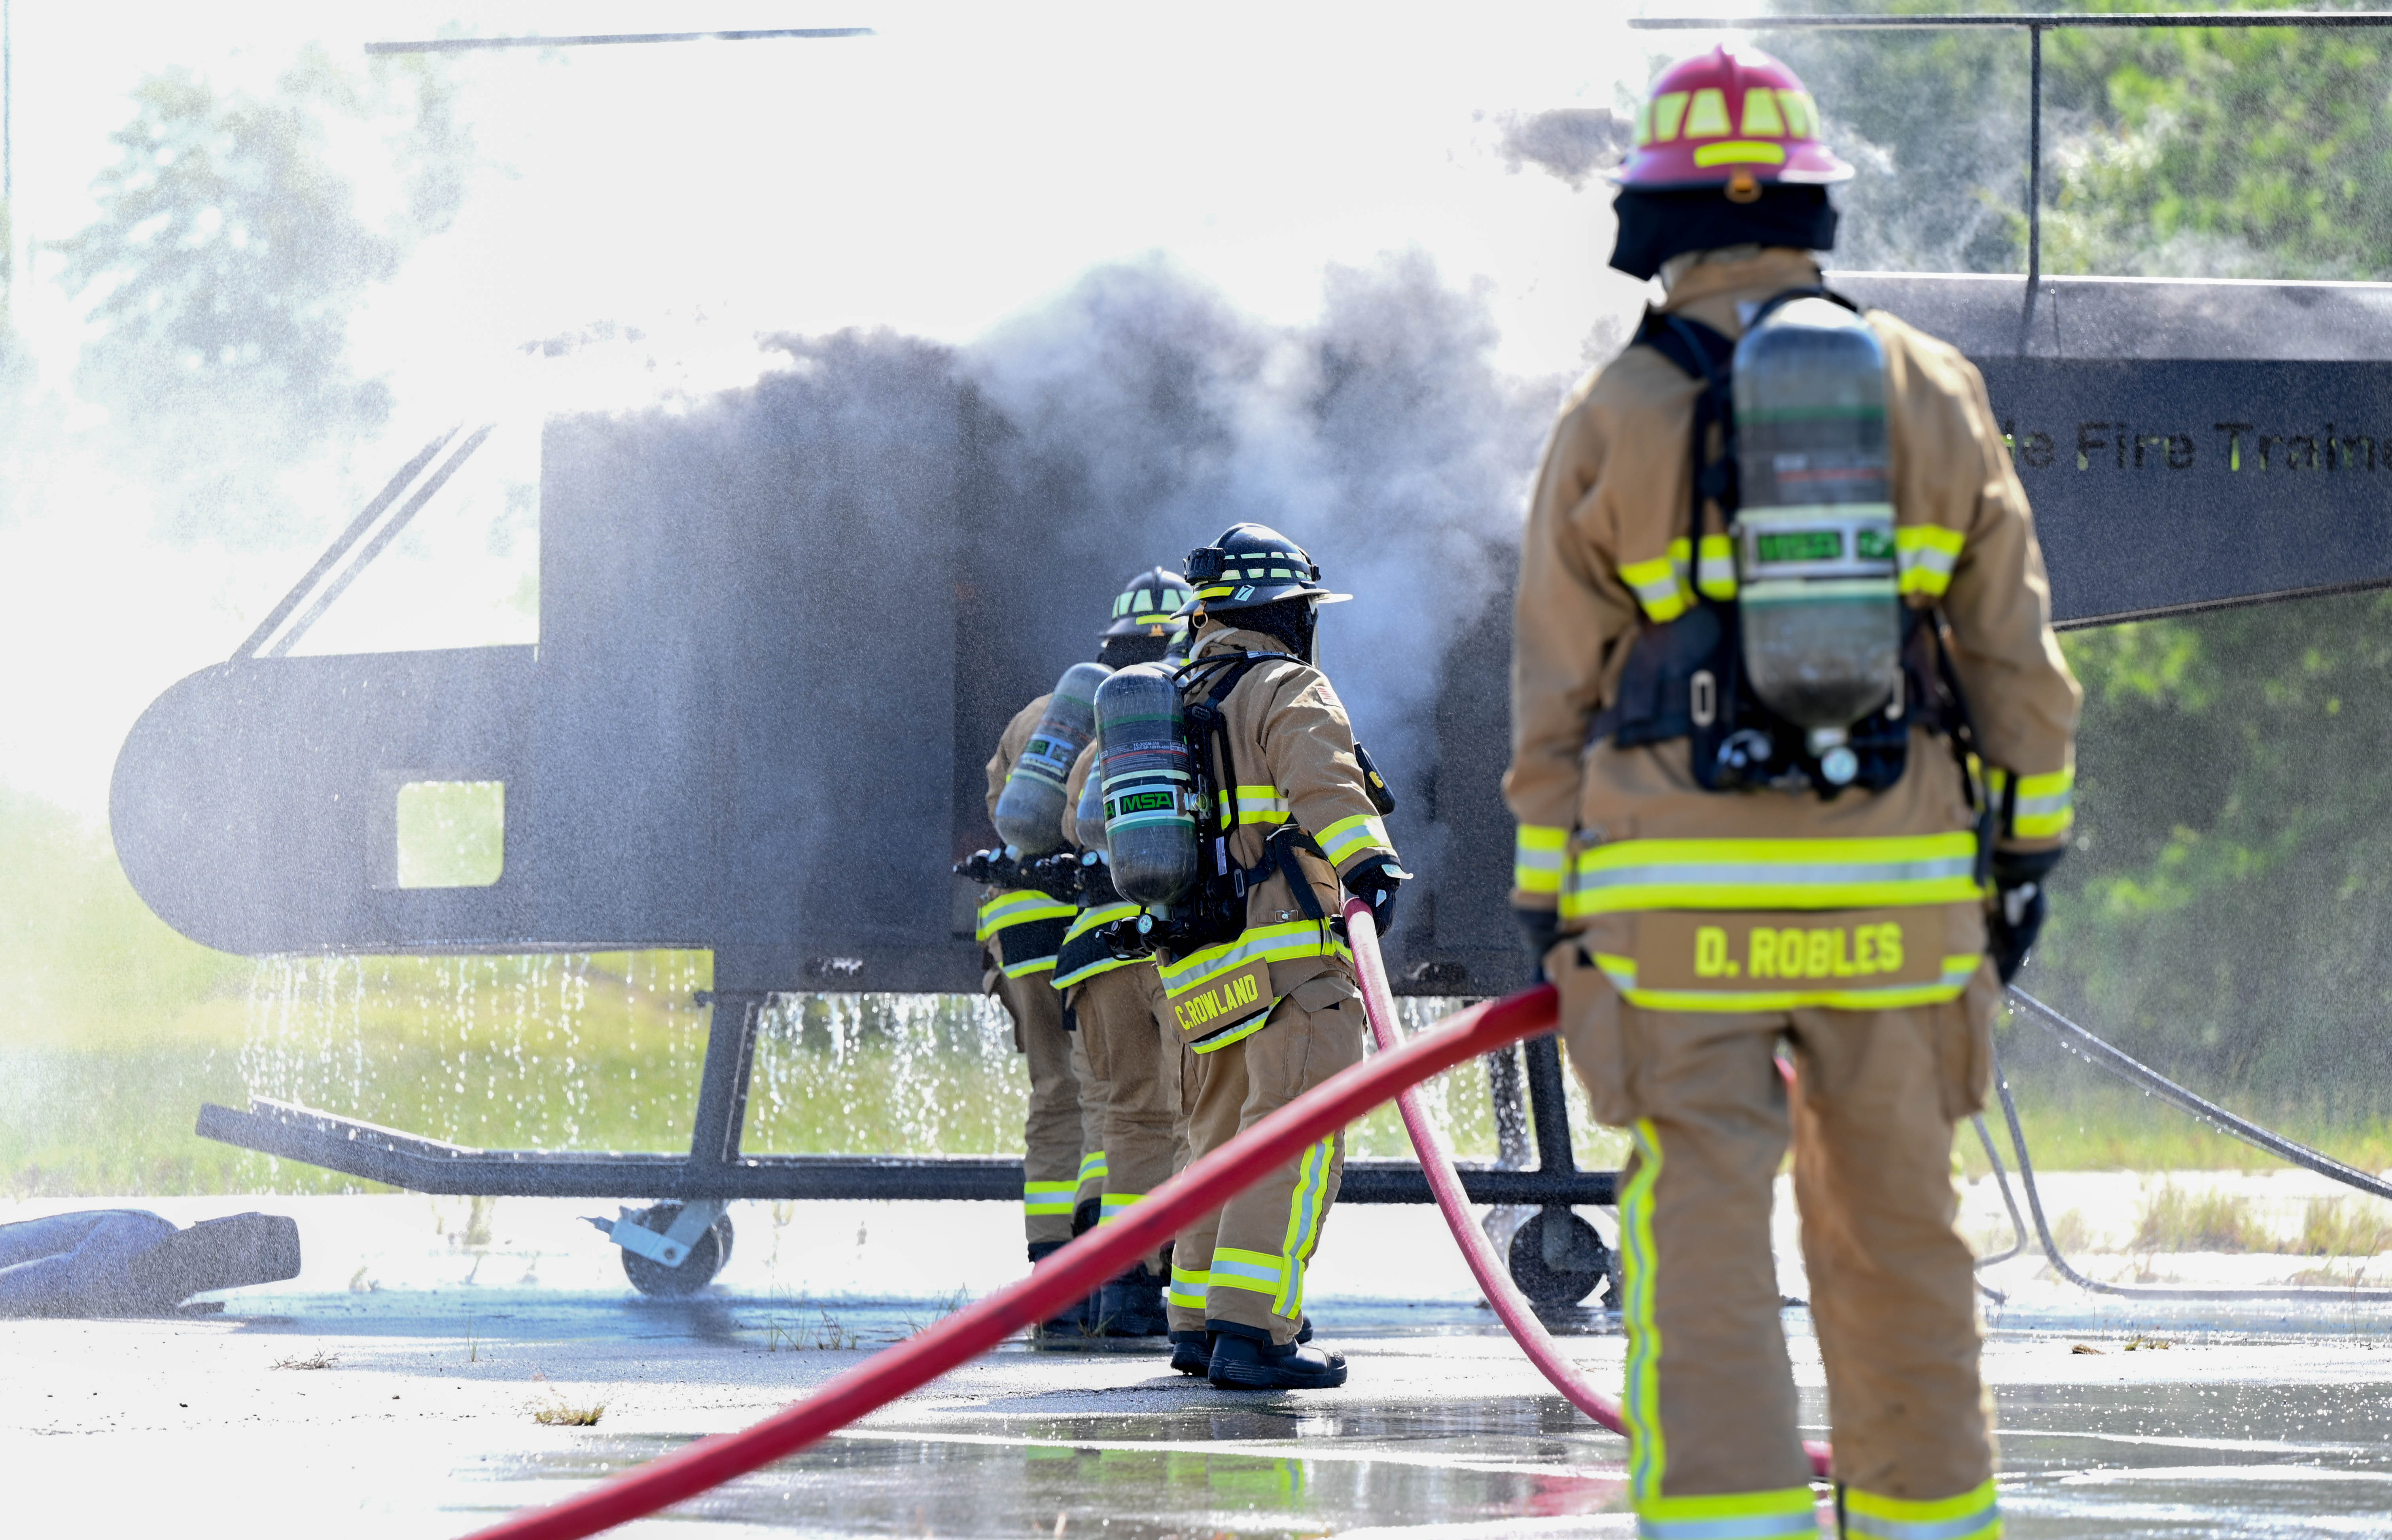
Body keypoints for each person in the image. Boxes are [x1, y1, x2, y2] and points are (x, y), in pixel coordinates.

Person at [1506, 44, 2080, 1539]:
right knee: (1898, 1230)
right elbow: (2014, 663)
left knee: (1694, 1224)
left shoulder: (1611, 411)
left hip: (1667, 905)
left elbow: (1553, 697)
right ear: (1809, 207)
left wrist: (1546, 903)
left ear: (1655, 221)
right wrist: (2015, 863)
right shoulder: (1923, 388)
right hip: (1891, 894)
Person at [1147, 523, 1406, 1391]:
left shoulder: (1177, 692)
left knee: (1216, 1139)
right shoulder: (1286, 685)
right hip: (1292, 960)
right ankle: (1255, 1333)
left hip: (1205, 970)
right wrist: (1370, 861)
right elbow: (1322, 778)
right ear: (1287, 612)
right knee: (1296, 1138)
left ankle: (1196, 1322)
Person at [1050, 568, 1197, 1340]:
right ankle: (1199, 1297)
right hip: (1179, 950)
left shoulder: (1114, 728)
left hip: (1095, 952)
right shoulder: (1209, 709)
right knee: (1200, 1117)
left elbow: (1077, 824)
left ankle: (1123, 1294)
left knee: (1131, 1123)